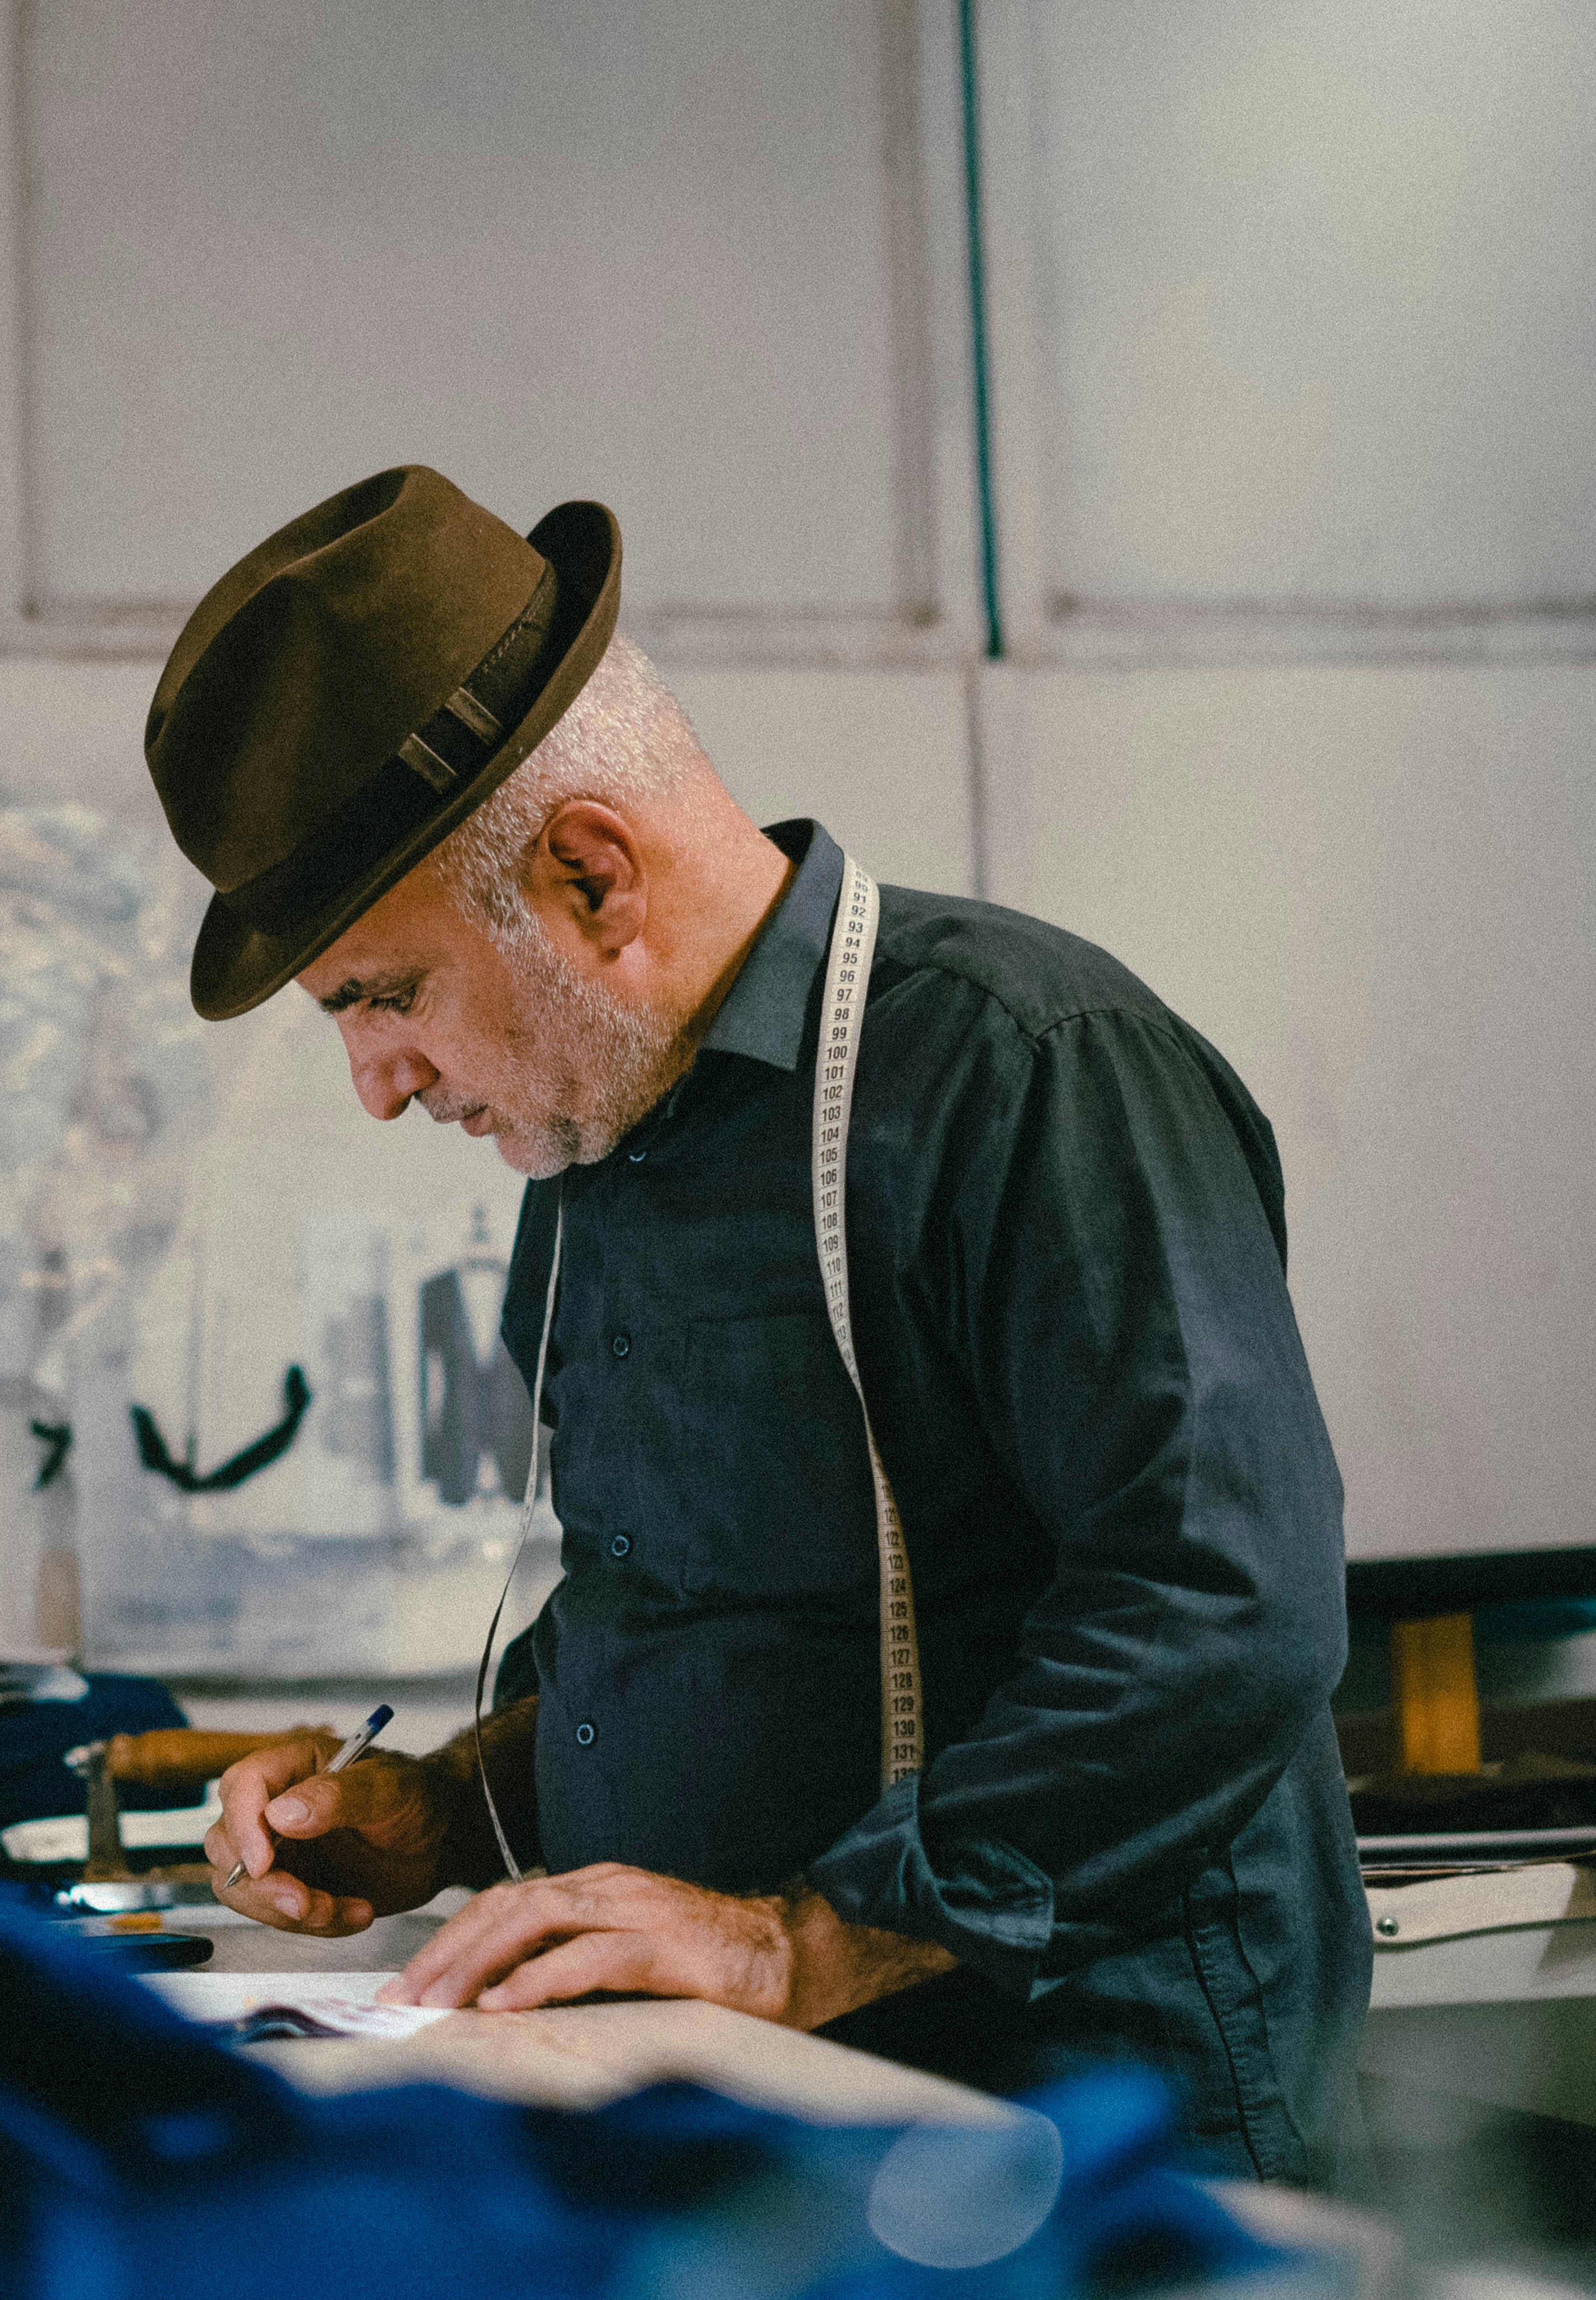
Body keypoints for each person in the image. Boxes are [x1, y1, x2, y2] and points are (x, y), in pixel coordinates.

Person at [145, 464, 1371, 2184]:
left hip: (1085, 2126)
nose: (377, 1087)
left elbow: (1223, 1603)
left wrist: (798, 1943)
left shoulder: (1022, 1070)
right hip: (763, 2120)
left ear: (588, 876)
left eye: (385, 997)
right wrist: (446, 1817)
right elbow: (692, 1634)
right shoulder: (597, 1158)